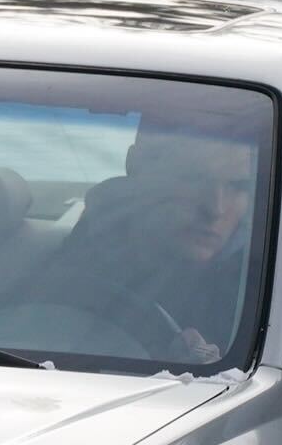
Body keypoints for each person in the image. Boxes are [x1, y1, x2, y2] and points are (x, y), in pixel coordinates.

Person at [46, 117, 261, 365]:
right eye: (193, 178)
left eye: (240, 186)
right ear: (136, 165)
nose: (216, 208)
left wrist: (219, 368)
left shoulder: (273, 278)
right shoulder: (84, 256)